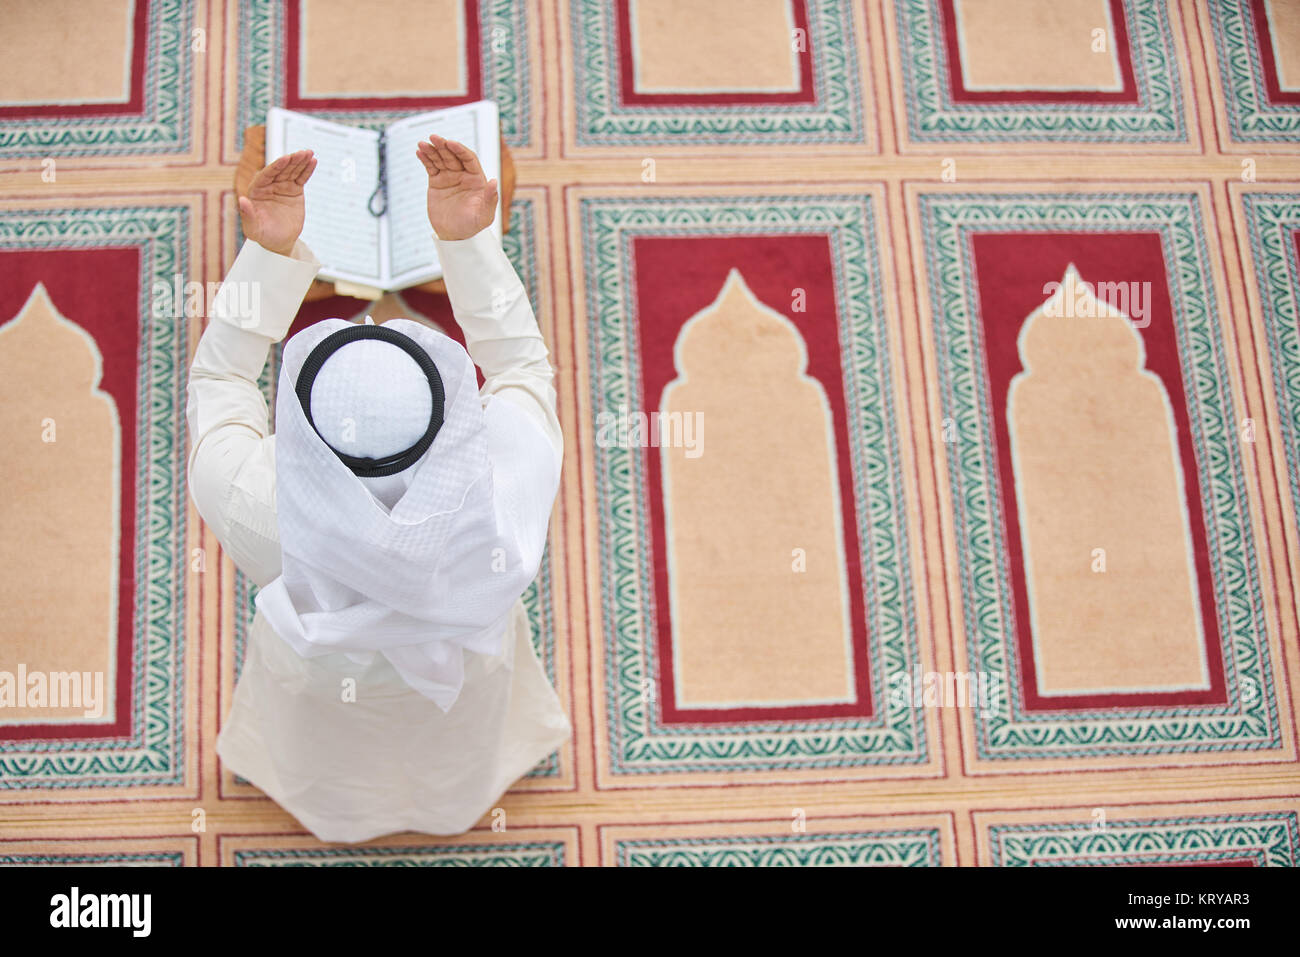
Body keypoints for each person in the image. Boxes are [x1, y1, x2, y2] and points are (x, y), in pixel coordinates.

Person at [186, 135, 570, 844]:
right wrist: (466, 241)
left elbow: (220, 380)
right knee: (450, 746)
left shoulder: (255, 499)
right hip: (469, 678)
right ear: (451, 412)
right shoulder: (506, 472)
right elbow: (519, 362)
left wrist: (268, 254)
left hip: (318, 680)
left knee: (333, 741)